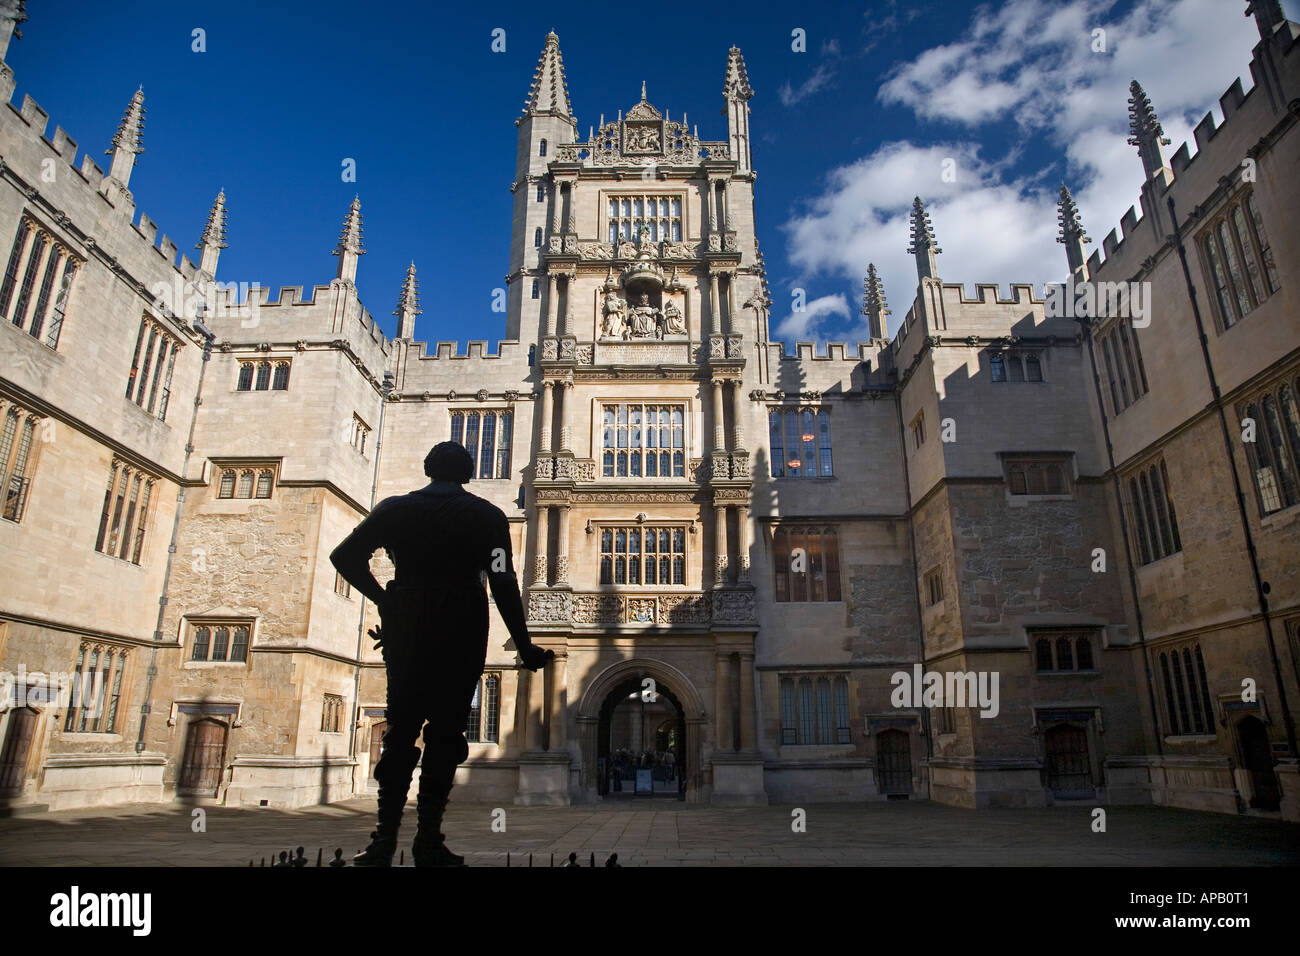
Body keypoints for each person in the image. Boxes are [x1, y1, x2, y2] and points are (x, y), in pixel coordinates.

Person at [331, 442, 551, 867]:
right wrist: (523, 646)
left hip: (409, 623)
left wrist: (385, 600)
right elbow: (503, 582)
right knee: (446, 736)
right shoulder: (487, 516)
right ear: (468, 471)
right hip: (462, 623)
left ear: (428, 467)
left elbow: (345, 557)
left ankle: (383, 840)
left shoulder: (396, 509)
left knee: (400, 733)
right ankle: (429, 840)